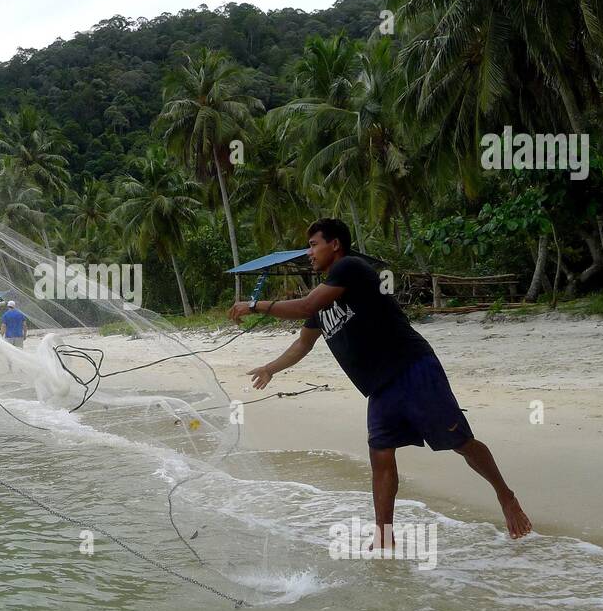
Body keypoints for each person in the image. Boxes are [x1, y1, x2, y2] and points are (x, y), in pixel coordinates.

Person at [227, 218, 532, 549]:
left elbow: (305, 306)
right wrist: (271, 369)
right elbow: (303, 344)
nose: (308, 252)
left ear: (335, 245)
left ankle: (505, 494)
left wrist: (255, 305)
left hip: (411, 367)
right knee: (381, 457)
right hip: (378, 386)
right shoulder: (323, 296)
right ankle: (384, 538)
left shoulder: (351, 269)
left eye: (313, 244)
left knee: (459, 441)